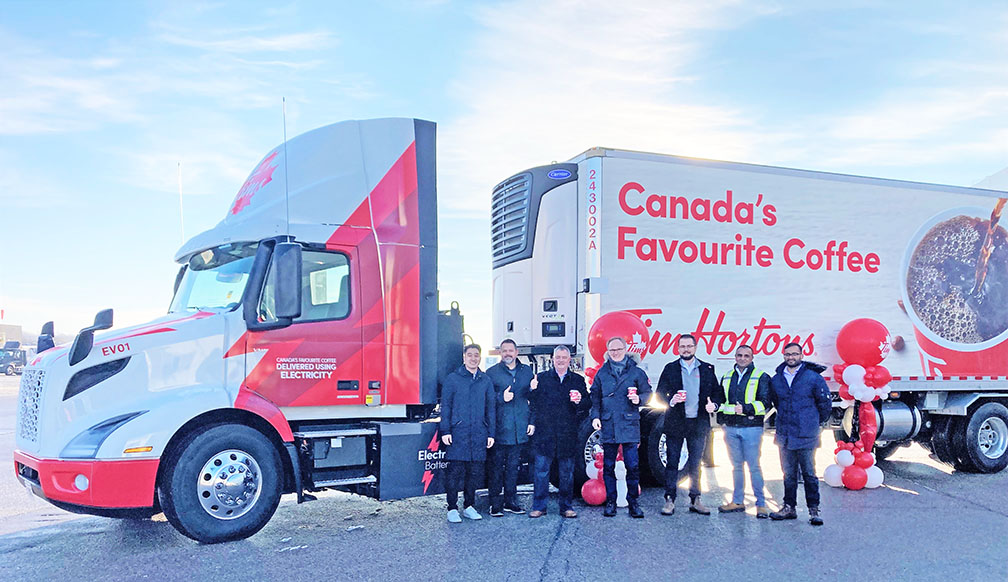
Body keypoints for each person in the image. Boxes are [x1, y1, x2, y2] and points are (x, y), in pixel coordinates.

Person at [768, 342, 832, 526]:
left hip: (806, 434)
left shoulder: (813, 378)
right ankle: (789, 507)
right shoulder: (777, 379)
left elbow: (824, 405)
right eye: (788, 354)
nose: (791, 357)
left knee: (809, 473)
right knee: (788, 474)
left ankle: (814, 510)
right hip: (785, 434)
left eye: (795, 354)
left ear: (801, 355)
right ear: (783, 355)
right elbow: (776, 403)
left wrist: (812, 422)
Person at [655, 333, 718, 516]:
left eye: (689, 346)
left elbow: (717, 394)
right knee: (672, 462)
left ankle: (695, 499)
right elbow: (659, 394)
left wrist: (713, 405)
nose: (686, 349)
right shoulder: (670, 368)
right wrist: (671, 401)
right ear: (678, 348)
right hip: (676, 423)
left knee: (695, 463)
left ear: (695, 347)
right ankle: (669, 499)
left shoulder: (707, 369)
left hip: (698, 423)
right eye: (682, 346)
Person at [590, 336, 652, 518]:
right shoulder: (602, 373)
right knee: (608, 467)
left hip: (629, 424)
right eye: (612, 350)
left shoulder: (636, 373)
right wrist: (595, 416)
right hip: (609, 424)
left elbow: (648, 394)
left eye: (618, 349)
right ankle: (611, 502)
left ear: (625, 349)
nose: (615, 353)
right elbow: (595, 398)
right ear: (607, 352)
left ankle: (633, 503)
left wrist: (638, 399)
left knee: (632, 466)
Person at [527, 345, 588, 518]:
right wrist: (531, 389)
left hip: (567, 433)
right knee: (541, 472)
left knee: (566, 473)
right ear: (552, 359)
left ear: (570, 360)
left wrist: (579, 400)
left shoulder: (577, 380)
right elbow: (533, 402)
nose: (560, 360)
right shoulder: (542, 378)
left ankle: (566, 507)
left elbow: (587, 403)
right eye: (557, 357)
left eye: (564, 357)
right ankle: (539, 506)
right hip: (544, 433)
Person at [711, 344, 771, 517]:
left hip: (751, 427)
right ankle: (737, 501)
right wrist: (716, 410)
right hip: (731, 428)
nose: (742, 358)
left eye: (746, 356)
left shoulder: (761, 376)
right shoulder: (727, 376)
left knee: (754, 467)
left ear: (752, 358)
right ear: (735, 357)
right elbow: (722, 402)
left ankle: (761, 504)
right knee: (736, 466)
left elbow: (766, 403)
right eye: (739, 355)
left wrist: (746, 409)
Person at [440, 344, 495, 523]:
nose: (473, 358)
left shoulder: (485, 380)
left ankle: (469, 506)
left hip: (479, 433)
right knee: (455, 473)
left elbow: (490, 409)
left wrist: (490, 433)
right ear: (464, 358)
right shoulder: (453, 379)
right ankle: (452, 508)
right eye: (469, 355)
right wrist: (446, 430)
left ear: (480, 358)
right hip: (458, 433)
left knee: (474, 473)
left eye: (476, 355)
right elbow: (445, 406)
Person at [485, 339, 534, 516]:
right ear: (500, 353)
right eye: (504, 350)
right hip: (499, 429)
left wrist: (532, 421)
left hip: (519, 430)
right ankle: (495, 504)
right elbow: (486, 399)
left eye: (510, 350)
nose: (507, 353)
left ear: (516, 352)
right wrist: (500, 397)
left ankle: (510, 501)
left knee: (514, 468)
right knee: (496, 468)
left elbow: (534, 400)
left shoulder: (527, 371)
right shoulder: (491, 373)